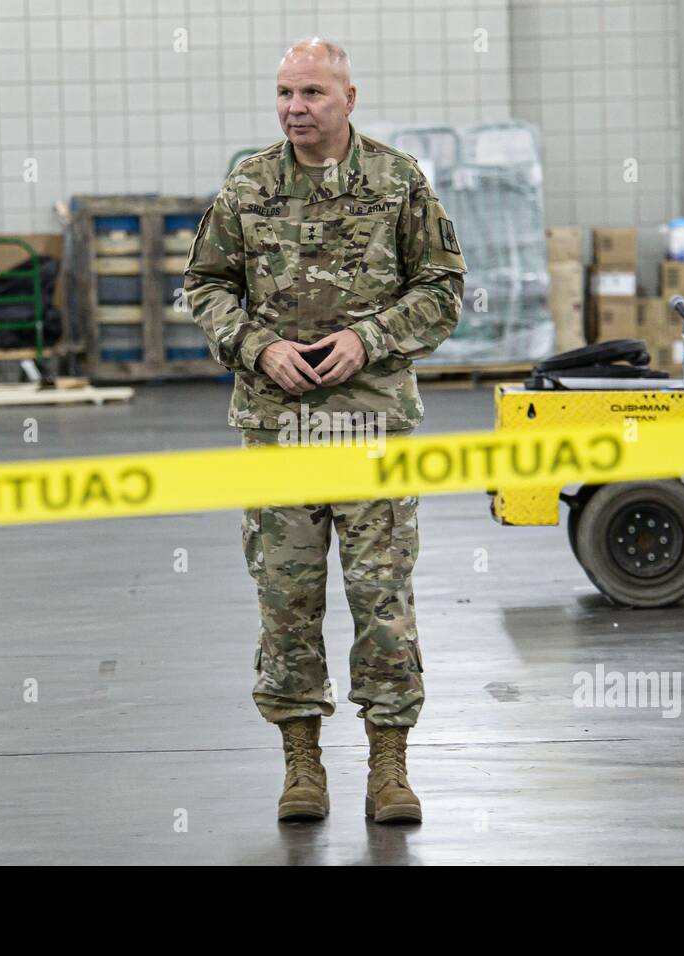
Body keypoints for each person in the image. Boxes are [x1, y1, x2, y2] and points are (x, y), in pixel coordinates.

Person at [184, 38, 466, 824]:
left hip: (370, 424)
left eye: (310, 92)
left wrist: (368, 340)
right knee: (286, 600)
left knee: (382, 599)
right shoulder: (248, 185)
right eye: (283, 93)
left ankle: (389, 767)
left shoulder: (397, 181)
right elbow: (204, 285)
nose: (294, 108)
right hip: (278, 433)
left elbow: (443, 288)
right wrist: (257, 346)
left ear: (349, 97)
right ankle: (301, 763)